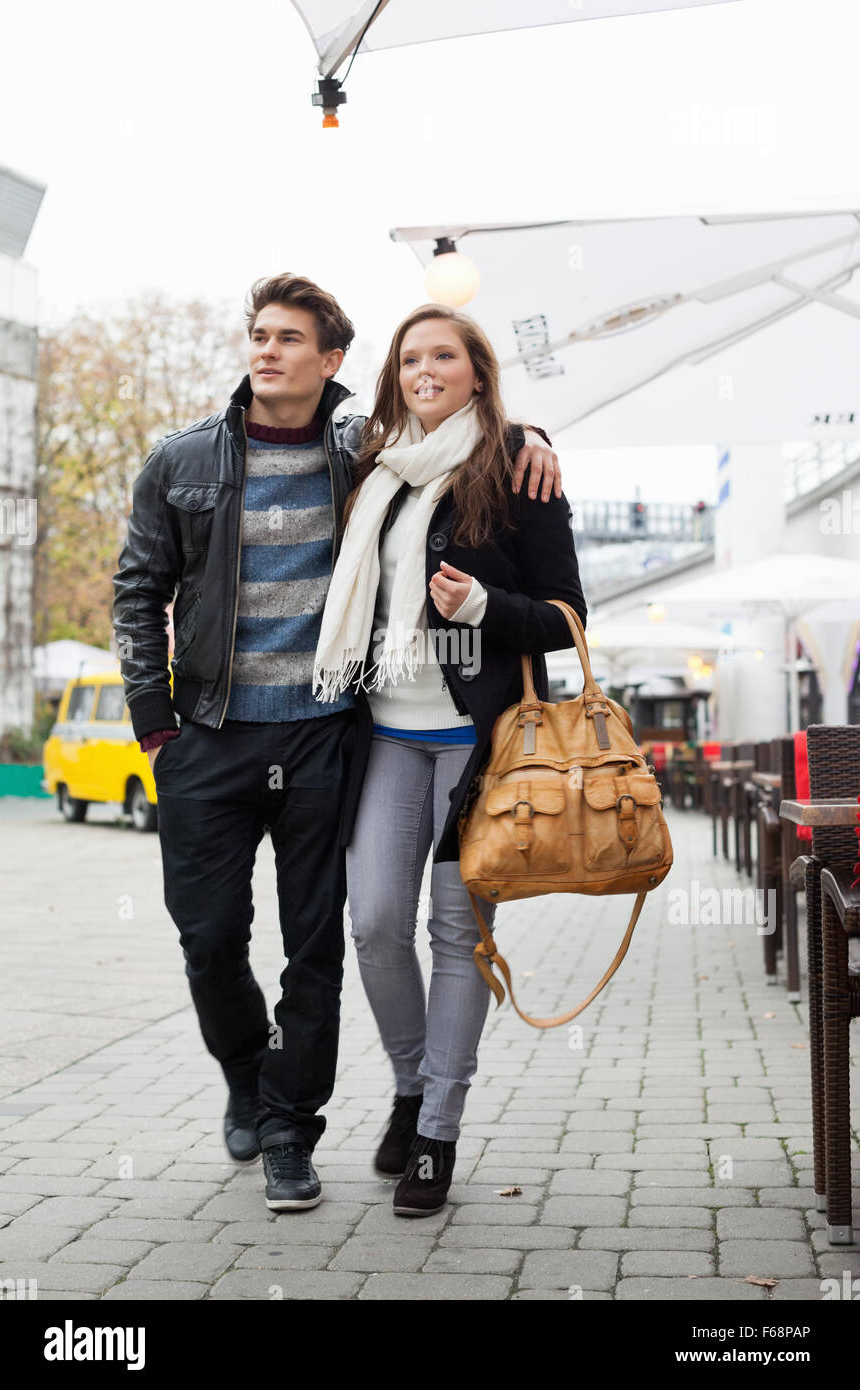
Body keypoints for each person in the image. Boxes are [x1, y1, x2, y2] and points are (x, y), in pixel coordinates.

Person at [111, 274, 562, 1212]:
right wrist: (156, 723)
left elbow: (485, 473)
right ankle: (266, 1073)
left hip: (349, 740)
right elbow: (138, 591)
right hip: (238, 736)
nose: (266, 350)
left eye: (288, 338)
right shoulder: (207, 459)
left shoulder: (369, 450)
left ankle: (319, 1127)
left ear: (331, 360)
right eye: (257, 335)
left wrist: (534, 440)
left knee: (353, 942)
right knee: (238, 937)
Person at [312, 303, 587, 1216]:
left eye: (445, 355)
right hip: (387, 731)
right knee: (375, 923)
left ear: (478, 370)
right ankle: (406, 1083)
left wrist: (481, 608)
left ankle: (436, 1130)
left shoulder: (519, 467)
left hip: (483, 743)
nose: (425, 370)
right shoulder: (376, 469)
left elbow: (566, 617)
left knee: (457, 936)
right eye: (410, 359)